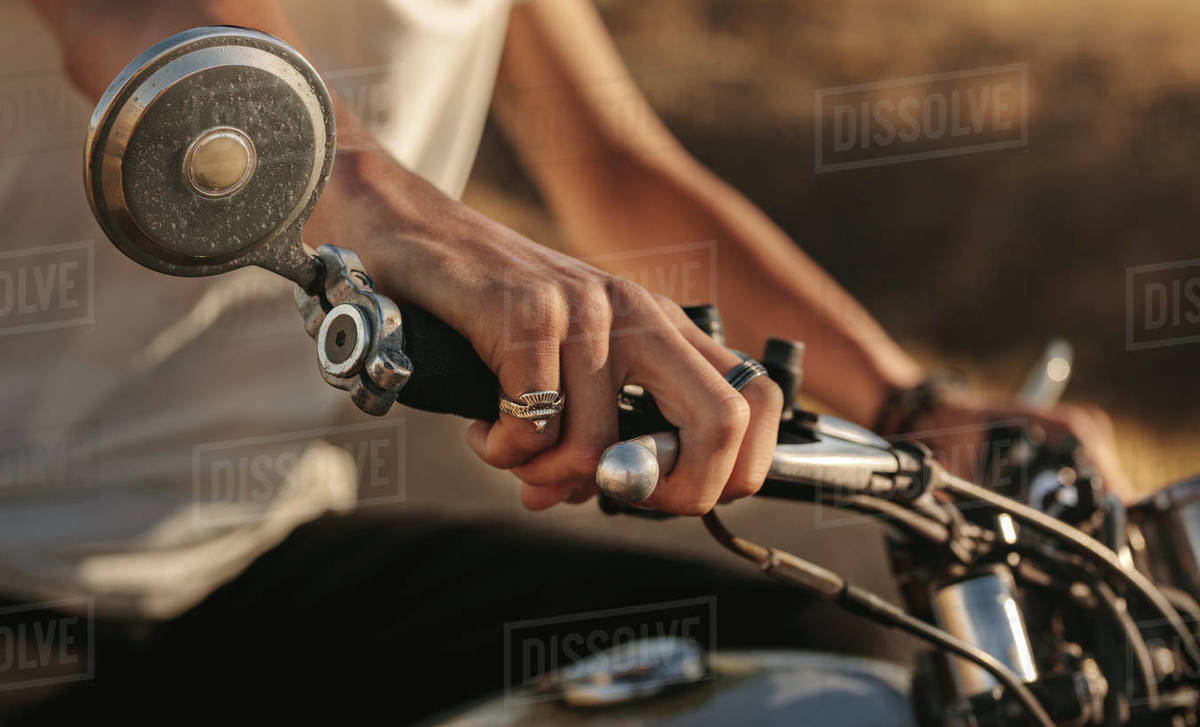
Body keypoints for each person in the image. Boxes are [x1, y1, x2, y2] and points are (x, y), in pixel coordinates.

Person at [0, 0, 1129, 722]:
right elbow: (138, 19)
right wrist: (398, 215)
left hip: (247, 551)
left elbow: (608, 162)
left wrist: (908, 400)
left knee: (818, 668)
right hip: (23, 576)